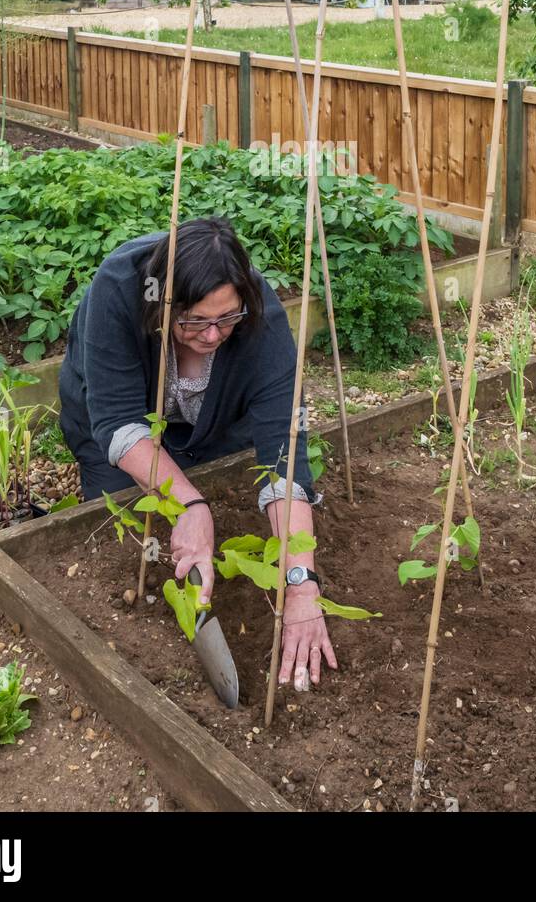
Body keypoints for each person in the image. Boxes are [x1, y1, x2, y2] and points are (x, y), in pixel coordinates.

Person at [59, 214, 338, 689]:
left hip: (214, 428)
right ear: (164, 304)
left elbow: (283, 459)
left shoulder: (262, 321)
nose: (212, 336)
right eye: (195, 321)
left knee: (210, 483)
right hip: (113, 423)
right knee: (118, 526)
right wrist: (189, 504)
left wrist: (299, 582)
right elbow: (119, 423)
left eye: (226, 319)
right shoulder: (120, 290)